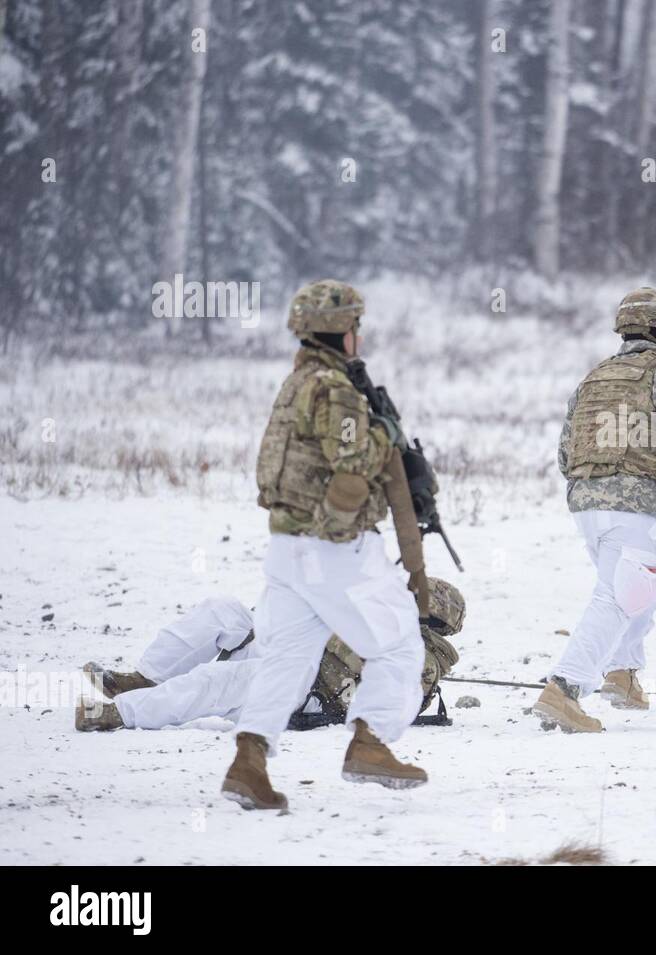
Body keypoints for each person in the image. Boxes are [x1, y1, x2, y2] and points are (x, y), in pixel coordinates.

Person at [221, 279, 428, 810]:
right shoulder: (333, 390)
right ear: (342, 332)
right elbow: (355, 462)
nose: (359, 336)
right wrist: (383, 432)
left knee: (286, 659)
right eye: (355, 327)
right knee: (400, 640)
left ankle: (249, 762)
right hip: (332, 547)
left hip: (286, 548)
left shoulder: (295, 384)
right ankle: (370, 742)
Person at [537, 287, 656, 732]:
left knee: (645, 587)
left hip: (585, 500)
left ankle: (622, 672)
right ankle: (565, 689)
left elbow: (564, 455)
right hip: (632, 499)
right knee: (624, 595)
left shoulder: (594, 376)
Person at [75, 584, 463, 732]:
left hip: (304, 694)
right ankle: (145, 679)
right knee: (222, 609)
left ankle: (120, 714)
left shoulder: (422, 661)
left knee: (219, 683)